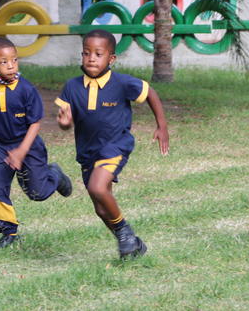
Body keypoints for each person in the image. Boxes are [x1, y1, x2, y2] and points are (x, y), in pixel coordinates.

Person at [55, 29, 169, 259]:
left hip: (115, 145)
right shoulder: (72, 86)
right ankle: (133, 244)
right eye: (87, 53)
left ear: (111, 59)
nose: (91, 58)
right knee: (100, 208)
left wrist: (162, 125)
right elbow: (66, 124)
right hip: (87, 153)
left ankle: (125, 232)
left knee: (98, 188)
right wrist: (66, 123)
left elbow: (150, 93)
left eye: (98, 54)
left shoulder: (121, 83)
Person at [0, 38, 73, 249]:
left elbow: (35, 124)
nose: (11, 65)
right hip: (1, 148)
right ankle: (9, 232)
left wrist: (22, 151)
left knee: (37, 193)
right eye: (4, 62)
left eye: (14, 60)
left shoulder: (27, 90)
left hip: (28, 145)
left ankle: (54, 175)